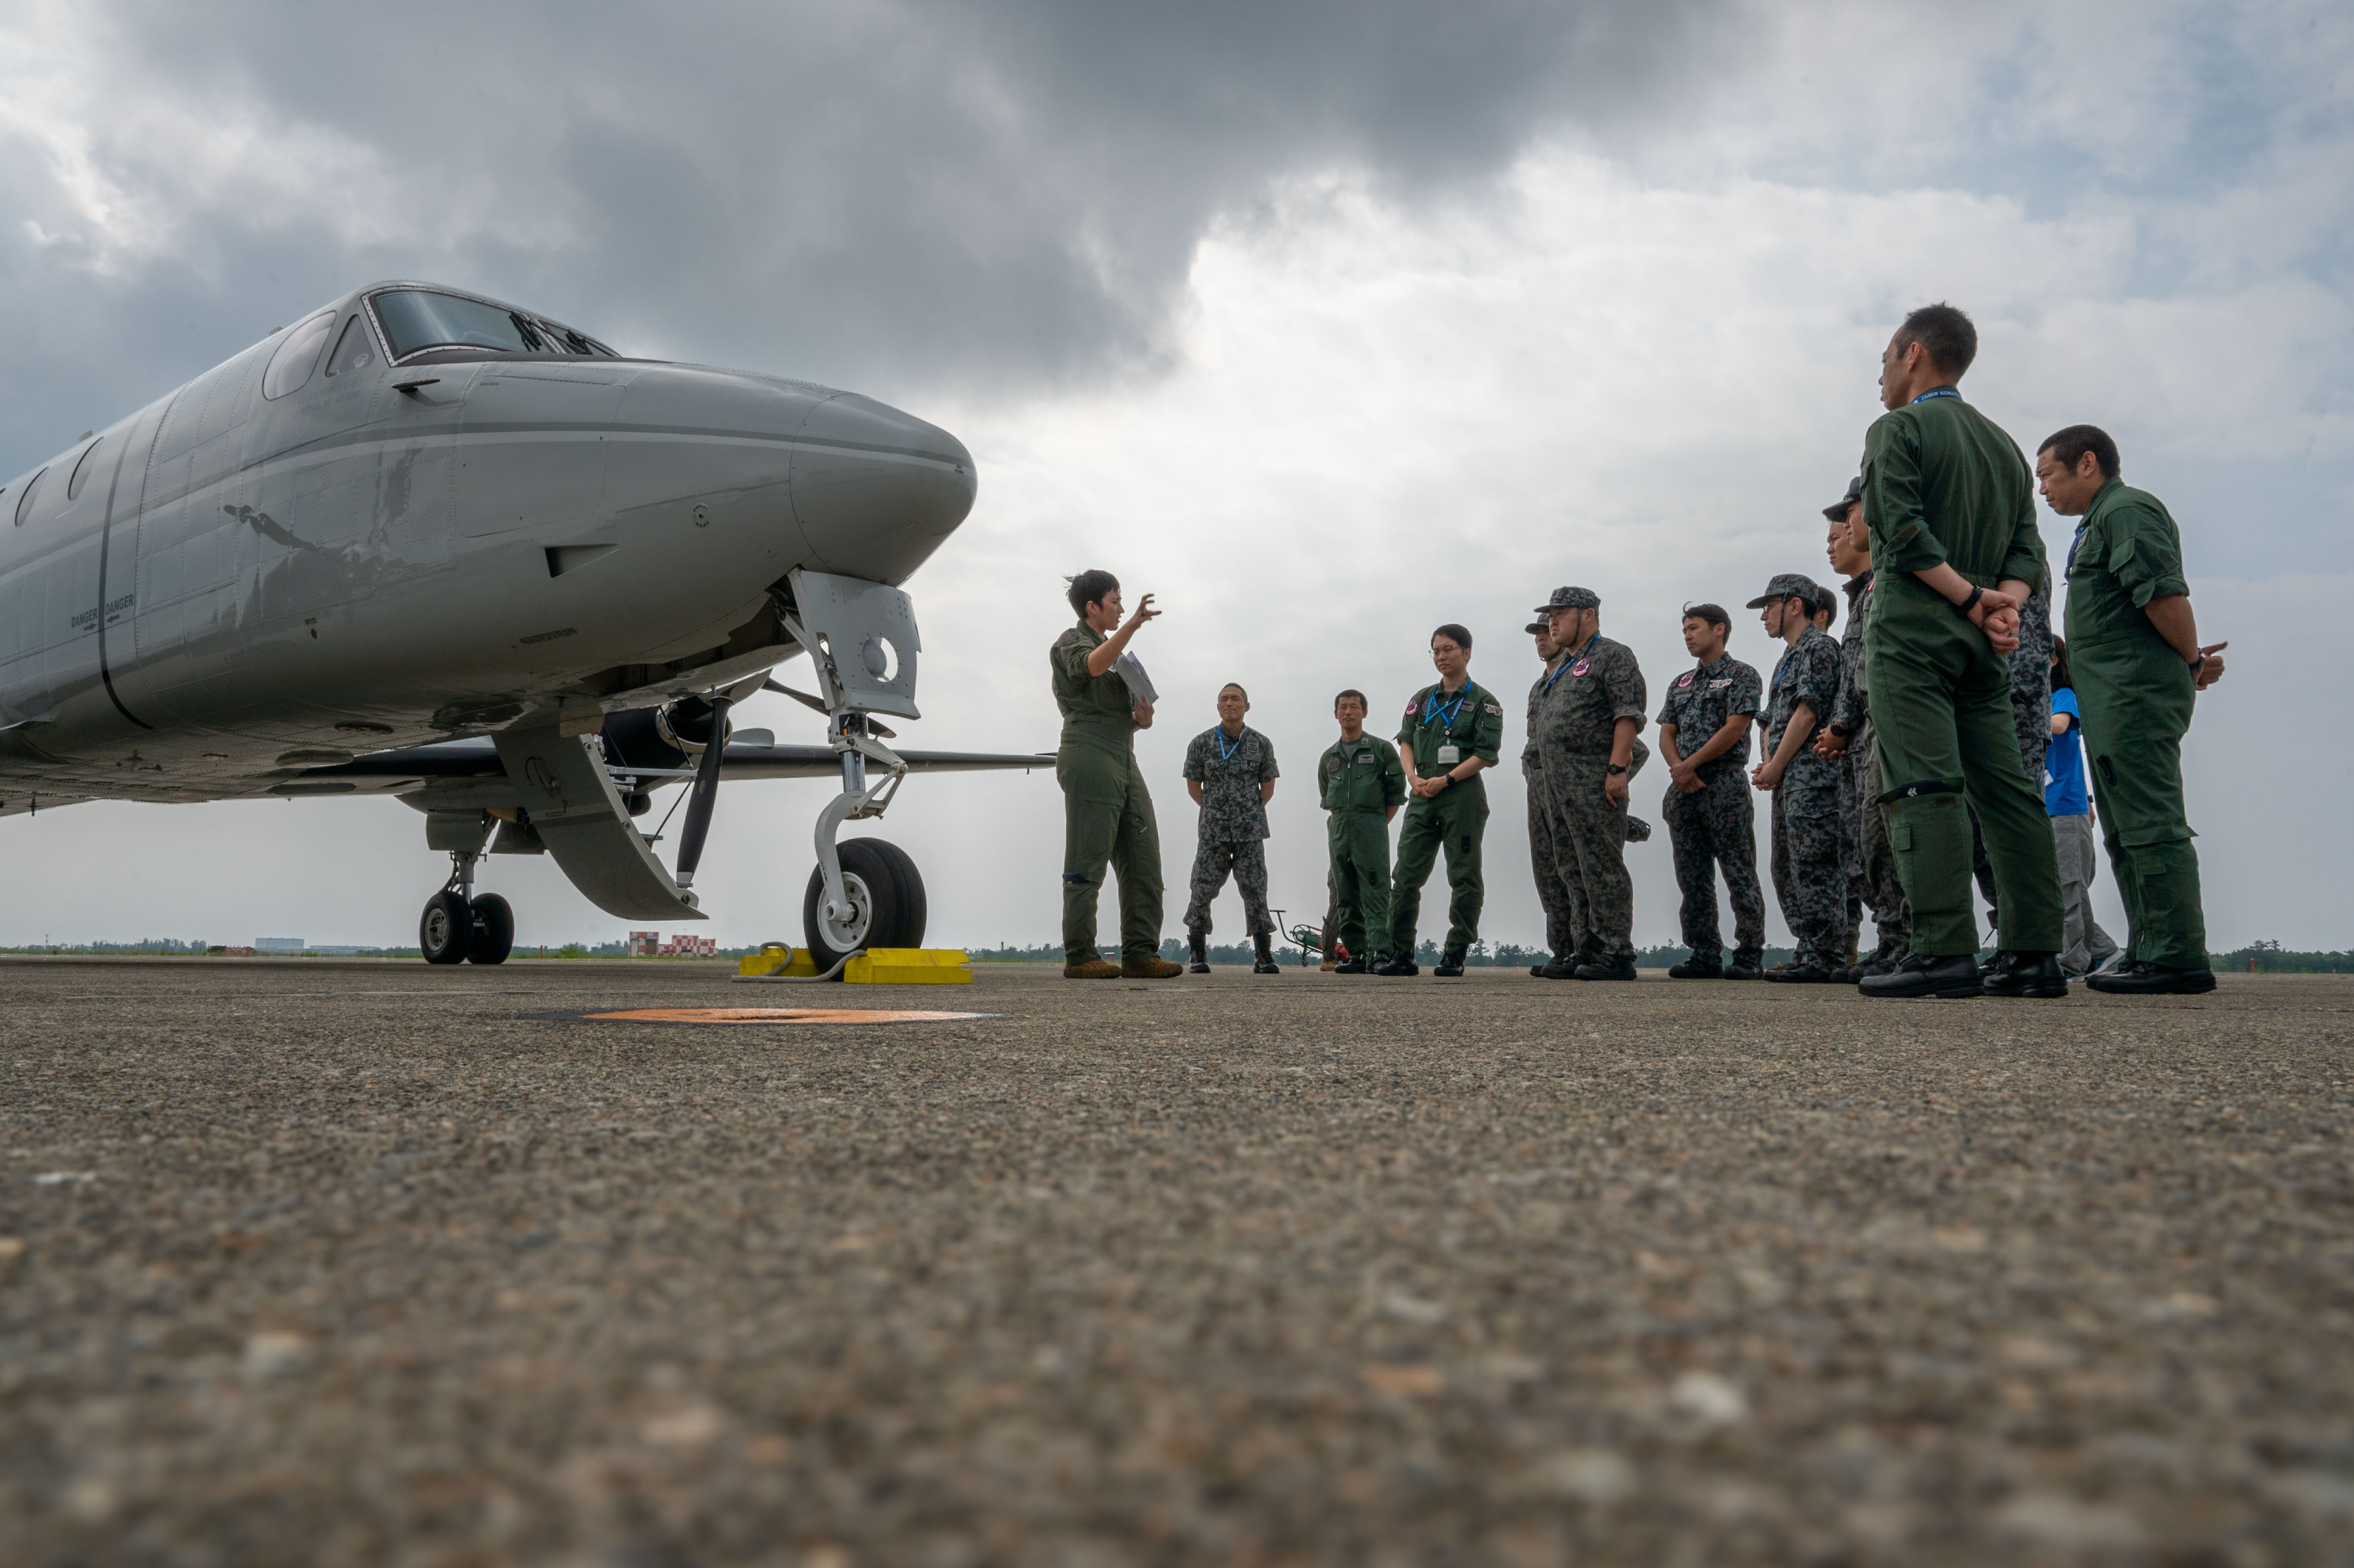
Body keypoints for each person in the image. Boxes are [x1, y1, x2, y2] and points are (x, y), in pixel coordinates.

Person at [1855, 303, 2067, 1000]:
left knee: (1923, 784)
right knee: (2005, 790)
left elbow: (1902, 533)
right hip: (1982, 647)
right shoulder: (2004, 447)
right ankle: (2033, 953)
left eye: (1885, 357)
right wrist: (2000, 604)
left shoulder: (1899, 429)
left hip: (1914, 633)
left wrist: (1971, 598)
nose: (1880, 373)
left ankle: (1942, 948)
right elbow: (2026, 550)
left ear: (1912, 353)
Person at [2035, 423, 2226, 995]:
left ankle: (2176, 956)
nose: (2040, 489)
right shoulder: (2099, 521)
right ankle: (2147, 949)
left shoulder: (2126, 511)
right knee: (2122, 829)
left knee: (2148, 823)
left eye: (2046, 474)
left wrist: (2190, 660)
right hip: (2112, 700)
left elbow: (2163, 594)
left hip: (2133, 696)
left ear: (2085, 463)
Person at [1049, 570, 1182, 980]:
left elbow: (1120, 701)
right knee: (1087, 860)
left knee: (1144, 862)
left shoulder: (1115, 654)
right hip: (1088, 752)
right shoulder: (1072, 642)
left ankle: (1140, 954)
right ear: (1092, 607)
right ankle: (1080, 955)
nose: (1122, 608)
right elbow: (1089, 668)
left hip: (1124, 755)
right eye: (1115, 601)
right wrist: (1132, 626)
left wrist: (1141, 719)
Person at [1814, 478, 1911, 980]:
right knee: (1868, 846)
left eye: (1848, 515)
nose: (1840, 529)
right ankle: (1892, 941)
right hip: (1859, 734)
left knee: (1890, 839)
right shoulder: (1865, 589)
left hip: (1882, 725)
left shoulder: (1892, 577)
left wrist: (1842, 723)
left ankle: (1906, 941)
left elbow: (1874, 664)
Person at [1531, 587, 1651, 981]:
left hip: (1593, 783)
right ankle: (1587, 948)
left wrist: (1617, 770)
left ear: (1588, 615)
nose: (1553, 621)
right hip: (1556, 788)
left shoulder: (1611, 655)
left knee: (1601, 866)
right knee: (1571, 869)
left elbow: (1628, 715)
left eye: (1561, 613)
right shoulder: (1564, 667)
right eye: (1551, 614)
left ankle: (1616, 950)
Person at [1378, 624, 1505, 977]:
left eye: (1448, 649)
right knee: (1405, 877)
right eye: (1435, 651)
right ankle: (1401, 952)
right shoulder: (1421, 699)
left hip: (1460, 795)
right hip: (1421, 795)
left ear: (1466, 652)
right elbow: (1405, 741)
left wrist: (1447, 779)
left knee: (1463, 875)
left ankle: (1455, 952)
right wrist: (1412, 777)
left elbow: (1485, 753)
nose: (1441, 656)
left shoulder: (1484, 702)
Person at [1747, 574, 1848, 982]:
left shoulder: (1820, 648)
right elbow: (1772, 719)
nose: (1763, 617)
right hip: (1788, 778)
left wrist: (1776, 764)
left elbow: (1807, 713)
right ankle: (1808, 948)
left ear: (1793, 605)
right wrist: (1768, 761)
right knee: (1785, 867)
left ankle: (1825, 954)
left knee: (1815, 864)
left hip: (1813, 777)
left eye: (1768, 607)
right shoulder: (1785, 658)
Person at [1656, 603, 1765, 980]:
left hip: (1723, 784)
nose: (1687, 634)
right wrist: (1678, 768)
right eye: (1684, 629)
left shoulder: (1741, 675)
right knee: (1692, 875)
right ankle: (1704, 951)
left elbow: (1735, 727)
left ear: (1719, 629)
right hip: (1683, 787)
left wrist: (1691, 764)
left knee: (1738, 870)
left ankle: (1749, 952)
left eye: (1694, 627)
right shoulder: (1680, 683)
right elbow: (1666, 731)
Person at [1181, 682, 1281, 975]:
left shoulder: (1261, 743)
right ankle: (1197, 952)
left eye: (1236, 699)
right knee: (1201, 890)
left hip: (1250, 832)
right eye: (1224, 699)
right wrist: (1216, 811)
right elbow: (1193, 786)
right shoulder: (1201, 743)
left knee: (1256, 892)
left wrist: (1245, 812)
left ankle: (1263, 955)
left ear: (1246, 706)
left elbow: (1268, 786)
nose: (1229, 703)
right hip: (1213, 833)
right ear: (1218, 707)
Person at [2044, 635, 2120, 979]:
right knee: (2064, 887)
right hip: (2045, 807)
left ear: (2055, 660)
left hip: (2064, 807)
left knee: (2069, 887)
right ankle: (2104, 951)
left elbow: (2059, 726)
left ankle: (2072, 962)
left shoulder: (2063, 697)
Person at [1319, 690, 1408, 975]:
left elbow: (1396, 794)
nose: (1348, 712)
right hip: (1339, 828)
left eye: (1354, 707)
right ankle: (1357, 953)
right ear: (1335, 714)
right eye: (1343, 707)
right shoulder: (1329, 757)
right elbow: (1326, 794)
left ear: (1364, 713)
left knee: (1376, 891)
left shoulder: (1382, 750)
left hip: (1371, 827)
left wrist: (1377, 824)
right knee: (1345, 894)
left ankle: (1380, 953)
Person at [1522, 618, 1579, 976]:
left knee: (1576, 872)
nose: (1541, 638)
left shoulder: (1580, 679)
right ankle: (1562, 950)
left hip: (1571, 791)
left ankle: (1589, 948)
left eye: (1547, 631)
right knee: (1547, 873)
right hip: (1538, 790)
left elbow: (1634, 748)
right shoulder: (1539, 687)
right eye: (1537, 635)